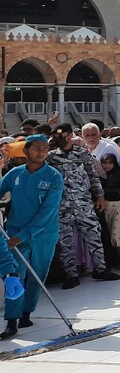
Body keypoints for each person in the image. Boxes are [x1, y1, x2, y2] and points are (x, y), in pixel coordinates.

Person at [1, 135, 61, 340]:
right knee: (14, 274)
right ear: (26, 151)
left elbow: (48, 212)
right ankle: (11, 321)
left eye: (45, 149)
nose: (42, 152)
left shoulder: (54, 177)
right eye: (37, 148)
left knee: (37, 274)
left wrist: (25, 234)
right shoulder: (14, 174)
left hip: (44, 234)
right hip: (15, 232)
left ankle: (26, 313)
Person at [47, 123, 120, 289]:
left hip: (83, 203)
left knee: (94, 235)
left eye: (61, 135)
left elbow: (93, 176)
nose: (57, 138)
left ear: (69, 136)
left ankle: (100, 269)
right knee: (66, 240)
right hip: (62, 205)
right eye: (55, 136)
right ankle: (71, 275)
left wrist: (100, 196)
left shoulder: (82, 153)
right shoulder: (51, 157)